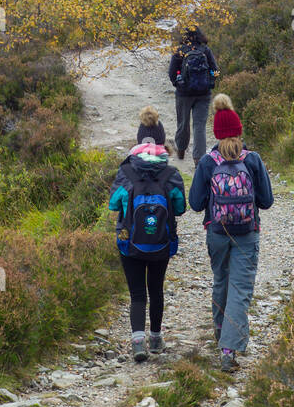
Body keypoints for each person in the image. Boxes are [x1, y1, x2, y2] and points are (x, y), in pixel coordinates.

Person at [189, 93, 273, 373]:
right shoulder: (253, 160)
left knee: (221, 280)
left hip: (217, 232)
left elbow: (195, 203)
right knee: (240, 289)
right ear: (238, 131)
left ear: (216, 132)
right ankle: (229, 348)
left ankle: (219, 330)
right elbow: (267, 201)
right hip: (247, 232)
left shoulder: (207, 162)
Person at [109, 138, 186, 361]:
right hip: (161, 244)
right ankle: (155, 338)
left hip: (129, 243)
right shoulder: (171, 175)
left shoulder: (125, 173)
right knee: (156, 289)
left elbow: (114, 204)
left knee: (137, 294)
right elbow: (180, 207)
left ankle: (137, 342)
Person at [168, 26, 219, 166]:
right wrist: (211, 82)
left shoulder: (180, 51)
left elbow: (171, 72)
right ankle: (199, 159)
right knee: (200, 126)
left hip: (184, 94)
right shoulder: (205, 50)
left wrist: (177, 84)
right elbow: (215, 70)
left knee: (183, 123)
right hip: (204, 94)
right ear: (199, 35)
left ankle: (181, 149)